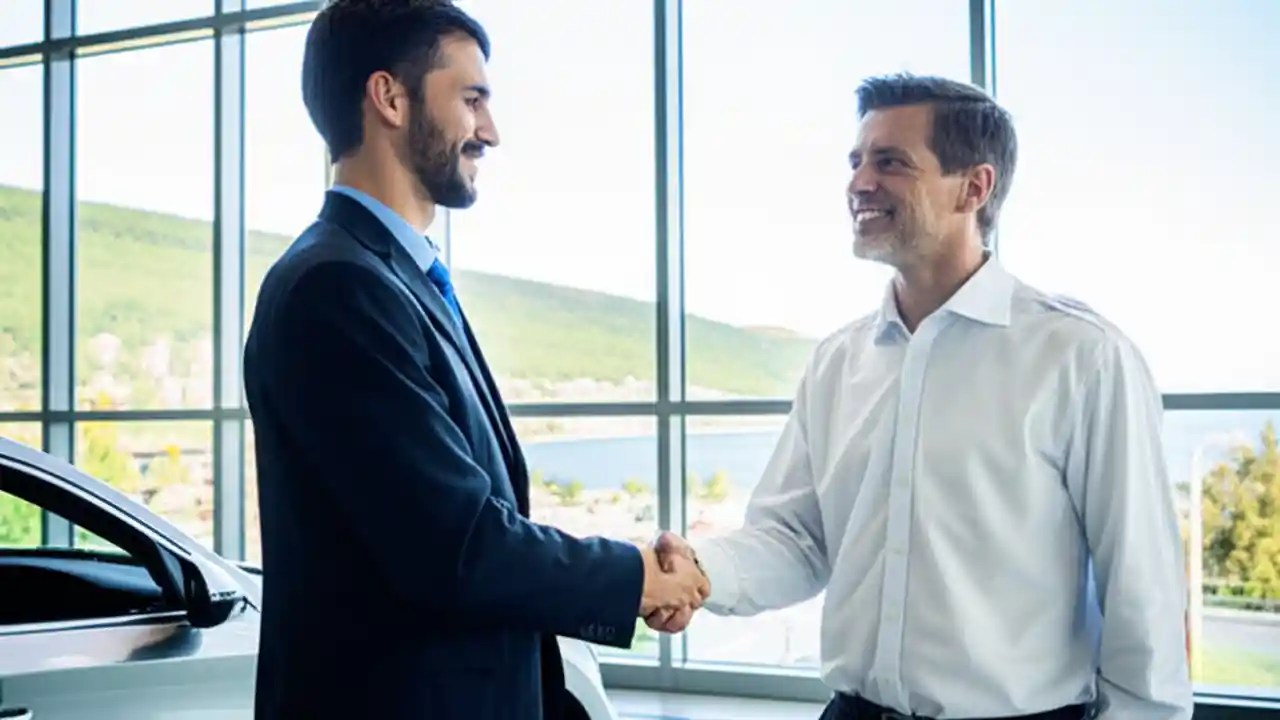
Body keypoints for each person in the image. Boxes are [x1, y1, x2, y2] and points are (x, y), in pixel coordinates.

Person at [649, 74, 1193, 720]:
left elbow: (1143, 590)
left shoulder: (1081, 358)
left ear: (975, 186)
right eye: (856, 161)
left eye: (891, 162)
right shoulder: (837, 362)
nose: (859, 183)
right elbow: (798, 540)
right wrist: (696, 569)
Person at [242, 2, 707, 718]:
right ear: (389, 98)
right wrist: (635, 579)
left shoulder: (389, 277)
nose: (489, 131)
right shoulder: (337, 288)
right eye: (472, 99)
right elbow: (456, 545)